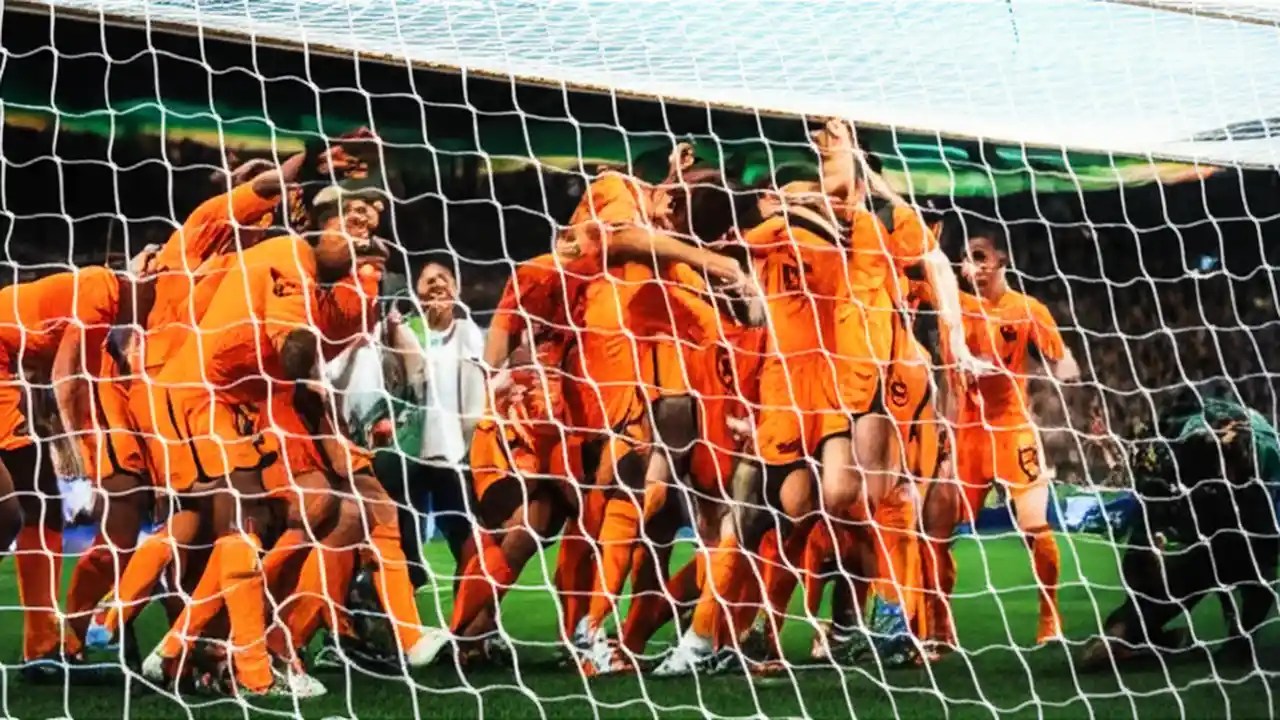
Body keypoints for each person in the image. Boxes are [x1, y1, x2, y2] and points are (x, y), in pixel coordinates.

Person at [946, 221, 1081, 646]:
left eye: (980, 256)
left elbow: (1064, 359)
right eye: (965, 258)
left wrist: (1065, 369)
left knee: (1035, 526)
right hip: (967, 435)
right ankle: (936, 626)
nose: (971, 266)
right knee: (938, 531)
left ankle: (1050, 619)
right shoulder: (956, 305)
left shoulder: (1027, 309)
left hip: (1012, 430)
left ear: (1002, 259)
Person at [372, 258, 485, 588]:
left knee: (464, 535)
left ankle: (473, 607)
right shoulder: (400, 330)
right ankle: (405, 602)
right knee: (405, 539)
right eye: (428, 280)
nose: (436, 284)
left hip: (452, 452)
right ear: (416, 292)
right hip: (407, 450)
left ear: (456, 288)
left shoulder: (467, 333)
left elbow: (477, 393)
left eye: (443, 277)